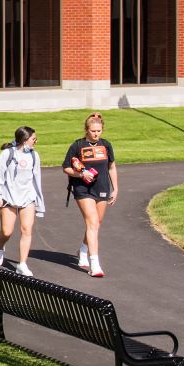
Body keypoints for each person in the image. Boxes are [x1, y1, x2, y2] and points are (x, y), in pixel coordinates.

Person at [62, 113, 121, 277]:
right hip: (83, 189)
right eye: (93, 131)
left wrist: (115, 188)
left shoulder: (106, 145)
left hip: (102, 187)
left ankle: (83, 249)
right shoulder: (77, 146)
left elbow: (111, 167)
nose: (96, 134)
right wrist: (81, 174)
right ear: (86, 130)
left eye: (99, 131)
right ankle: (95, 265)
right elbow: (66, 167)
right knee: (93, 222)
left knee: (97, 223)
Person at [0, 126, 45, 275]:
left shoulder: (34, 156)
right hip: (8, 197)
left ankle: (22, 264)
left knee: (26, 229)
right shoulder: (7, 154)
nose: (36, 141)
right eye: (33, 139)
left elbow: (36, 179)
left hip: (28, 197)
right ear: (25, 140)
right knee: (7, 232)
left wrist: (38, 201)